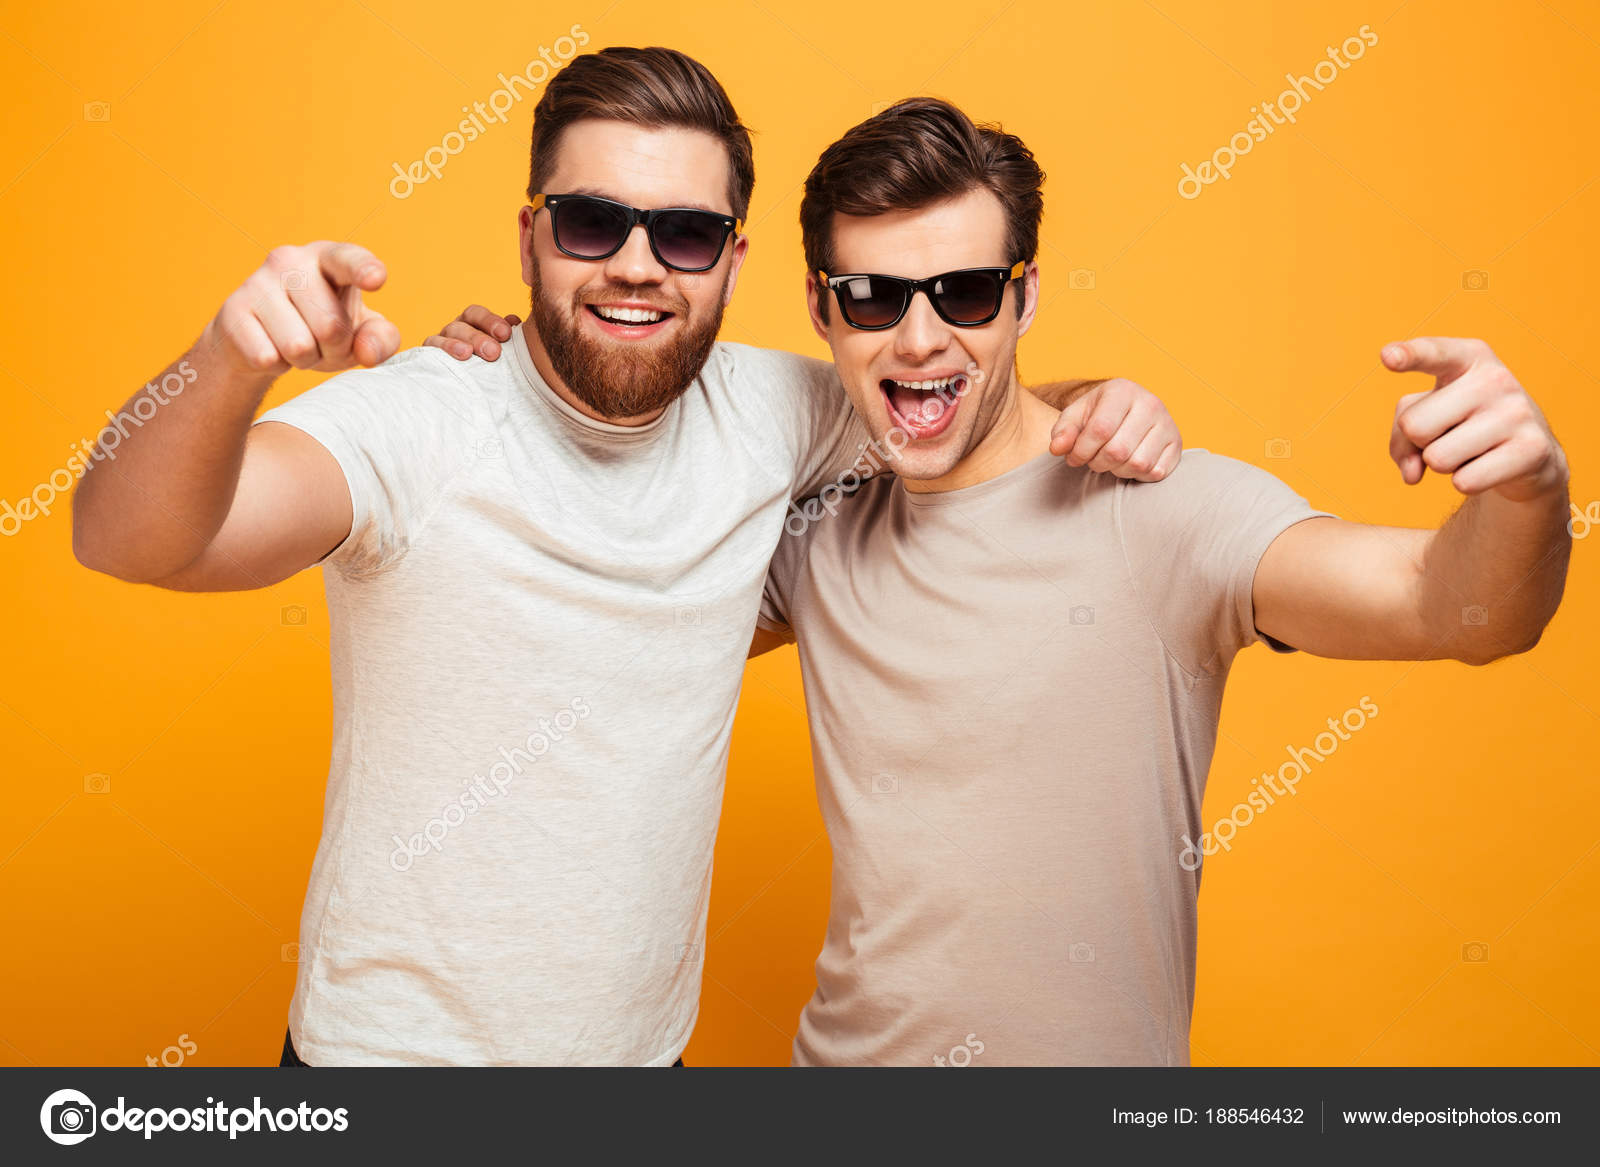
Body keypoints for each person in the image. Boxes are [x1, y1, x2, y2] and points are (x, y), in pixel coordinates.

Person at [70, 48, 1182, 1067]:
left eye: (685, 234)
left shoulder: (778, 412)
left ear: (734, 263)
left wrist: (1100, 402)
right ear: (529, 236)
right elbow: (130, 538)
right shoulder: (420, 420)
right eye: (593, 223)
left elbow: (966, 409)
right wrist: (228, 361)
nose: (639, 267)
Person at [447, 96, 1572, 1066]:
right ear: (822, 308)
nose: (922, 337)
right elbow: (592, 609)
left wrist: (1523, 496)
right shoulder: (814, 535)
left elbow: (1456, 609)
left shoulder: (1165, 505)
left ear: (1024, 298)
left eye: (967, 294)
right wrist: (528, 387)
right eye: (876, 297)